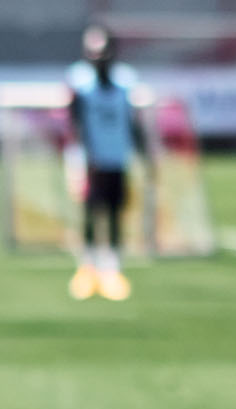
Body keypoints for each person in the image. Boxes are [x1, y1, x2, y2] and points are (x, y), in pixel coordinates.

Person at [66, 24, 151, 301]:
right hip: (89, 160)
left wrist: (144, 154)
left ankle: (112, 268)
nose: (98, 58)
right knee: (90, 212)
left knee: (115, 211)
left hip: (116, 156)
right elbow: (75, 121)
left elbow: (132, 120)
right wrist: (85, 155)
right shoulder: (80, 81)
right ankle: (87, 267)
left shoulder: (125, 81)